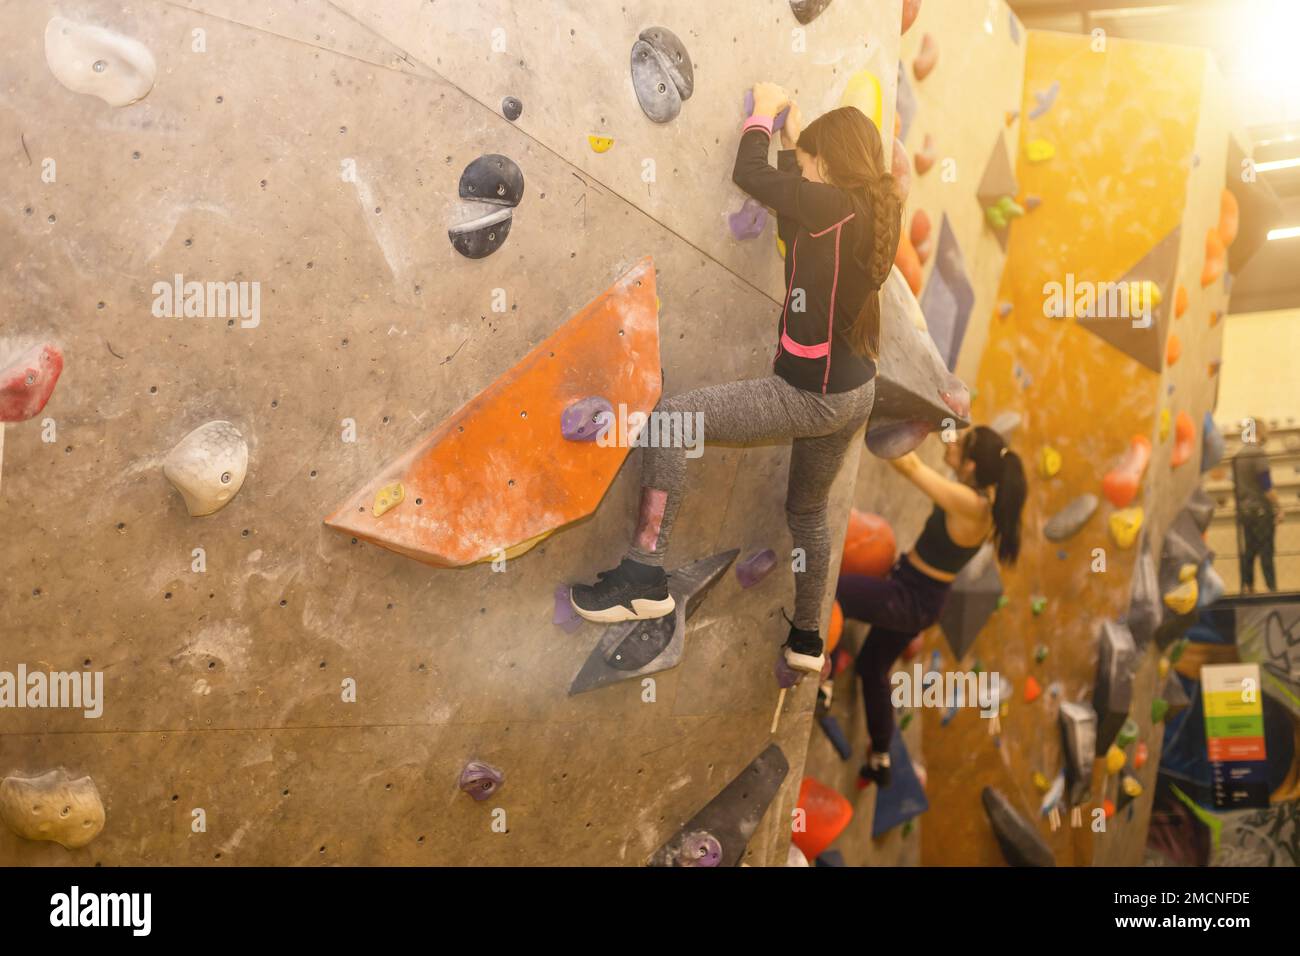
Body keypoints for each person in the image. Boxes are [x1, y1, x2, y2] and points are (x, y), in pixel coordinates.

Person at [570, 83, 903, 675]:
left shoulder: (833, 207)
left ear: (827, 164)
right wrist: (799, 142)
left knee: (673, 421)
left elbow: (753, 174)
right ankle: (806, 639)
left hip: (811, 396)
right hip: (856, 393)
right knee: (807, 514)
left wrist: (761, 116)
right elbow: (799, 200)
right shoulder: (874, 206)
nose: (800, 171)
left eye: (807, 162)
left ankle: (643, 575)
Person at [837, 426, 1026, 786]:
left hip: (911, 599)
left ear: (970, 464)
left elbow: (908, 466)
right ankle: (880, 759)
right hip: (918, 593)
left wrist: (868, 416)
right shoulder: (979, 493)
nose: (951, 440)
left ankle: (821, 673)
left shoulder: (973, 506)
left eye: (959, 441)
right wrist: (943, 425)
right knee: (872, 667)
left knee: (839, 594)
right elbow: (949, 443)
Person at [1233, 417, 1282, 593]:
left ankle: (1249, 587)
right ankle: (1272, 589)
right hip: (1261, 511)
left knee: (1249, 552)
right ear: (1259, 432)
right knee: (1266, 551)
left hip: (1245, 511)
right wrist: (1279, 507)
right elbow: (1266, 486)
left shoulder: (1238, 456)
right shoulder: (1258, 454)